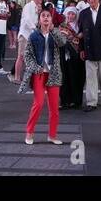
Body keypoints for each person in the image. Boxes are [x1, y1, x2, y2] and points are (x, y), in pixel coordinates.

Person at [20, 9, 69, 144]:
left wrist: (53, 30)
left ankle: (52, 135)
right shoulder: (34, 36)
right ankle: (29, 133)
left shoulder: (55, 33)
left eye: (48, 16)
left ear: (51, 19)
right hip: (39, 74)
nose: (46, 18)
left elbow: (63, 42)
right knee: (39, 103)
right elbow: (27, 55)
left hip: (54, 73)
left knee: (54, 107)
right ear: (39, 19)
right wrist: (35, 67)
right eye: (43, 16)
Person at [12, 0, 44, 86]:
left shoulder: (37, 8)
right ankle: (17, 77)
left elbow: (38, 22)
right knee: (21, 56)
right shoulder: (28, 6)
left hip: (32, 36)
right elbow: (27, 19)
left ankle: (30, 78)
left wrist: (39, 13)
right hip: (25, 35)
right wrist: (34, 29)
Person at [57, 6, 85, 110]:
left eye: (73, 14)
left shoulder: (80, 26)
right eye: (68, 14)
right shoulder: (62, 26)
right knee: (65, 78)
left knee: (78, 78)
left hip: (78, 57)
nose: (70, 16)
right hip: (65, 57)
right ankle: (65, 101)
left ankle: (76, 101)